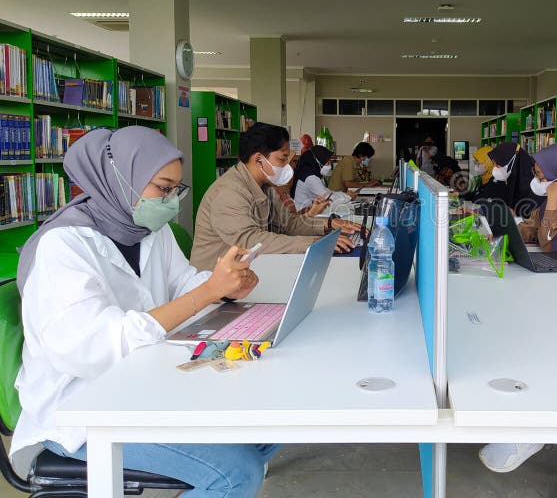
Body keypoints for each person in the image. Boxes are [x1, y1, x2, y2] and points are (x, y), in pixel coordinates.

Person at [11, 126, 278, 497]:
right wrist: (206, 292)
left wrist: (226, 288)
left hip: (147, 385)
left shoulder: (148, 229)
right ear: (119, 179)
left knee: (272, 423)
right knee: (237, 472)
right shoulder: (63, 246)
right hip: (84, 410)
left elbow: (183, 284)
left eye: (176, 190)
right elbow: (94, 347)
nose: (172, 201)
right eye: (162, 188)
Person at [191, 123, 359, 270]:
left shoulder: (266, 186)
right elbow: (250, 240)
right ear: (258, 159)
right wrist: (313, 243)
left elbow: (289, 223)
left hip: (250, 271)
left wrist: (329, 224)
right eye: (282, 159)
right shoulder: (229, 191)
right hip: (214, 286)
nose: (288, 166)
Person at [477, 142, 539, 218]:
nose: (495, 167)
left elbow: (532, 221)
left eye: (498, 164)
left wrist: (516, 217)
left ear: (511, 162)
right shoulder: (512, 178)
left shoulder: (533, 185)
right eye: (494, 164)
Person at [292, 145, 357, 212]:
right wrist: (347, 197)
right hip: (303, 213)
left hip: (309, 209)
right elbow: (326, 196)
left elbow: (327, 192)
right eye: (327, 162)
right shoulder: (310, 177)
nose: (329, 165)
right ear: (318, 161)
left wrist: (345, 195)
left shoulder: (311, 173)